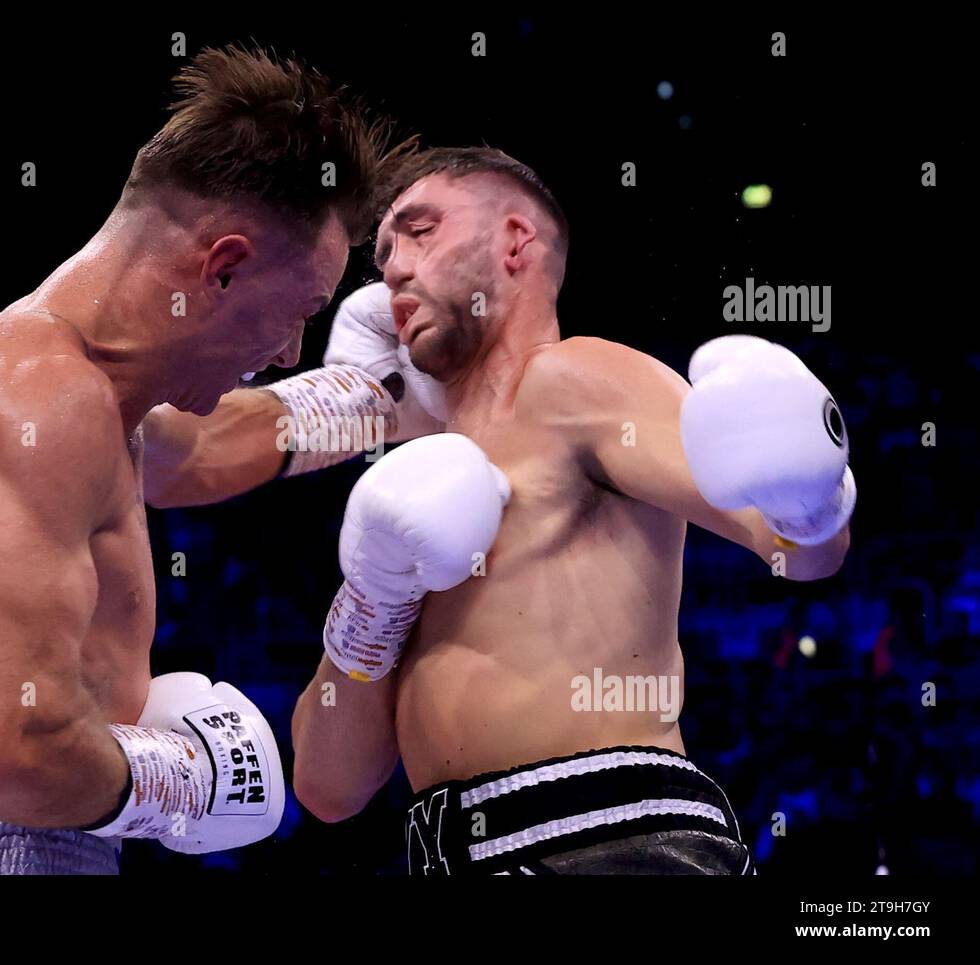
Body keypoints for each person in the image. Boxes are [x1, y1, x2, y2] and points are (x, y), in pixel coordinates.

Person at [0, 45, 392, 874]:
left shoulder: (97, 406)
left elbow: (199, 449)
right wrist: (191, 779)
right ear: (223, 265)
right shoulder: (41, 400)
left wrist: (377, 396)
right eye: (301, 310)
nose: (287, 350)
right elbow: (6, 747)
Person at [289, 147, 856, 874]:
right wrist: (372, 599)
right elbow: (326, 789)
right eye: (386, 252)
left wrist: (813, 497)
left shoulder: (571, 379)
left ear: (516, 241)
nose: (394, 266)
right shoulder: (411, 492)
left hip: (610, 840)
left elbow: (799, 549)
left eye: (420, 231)